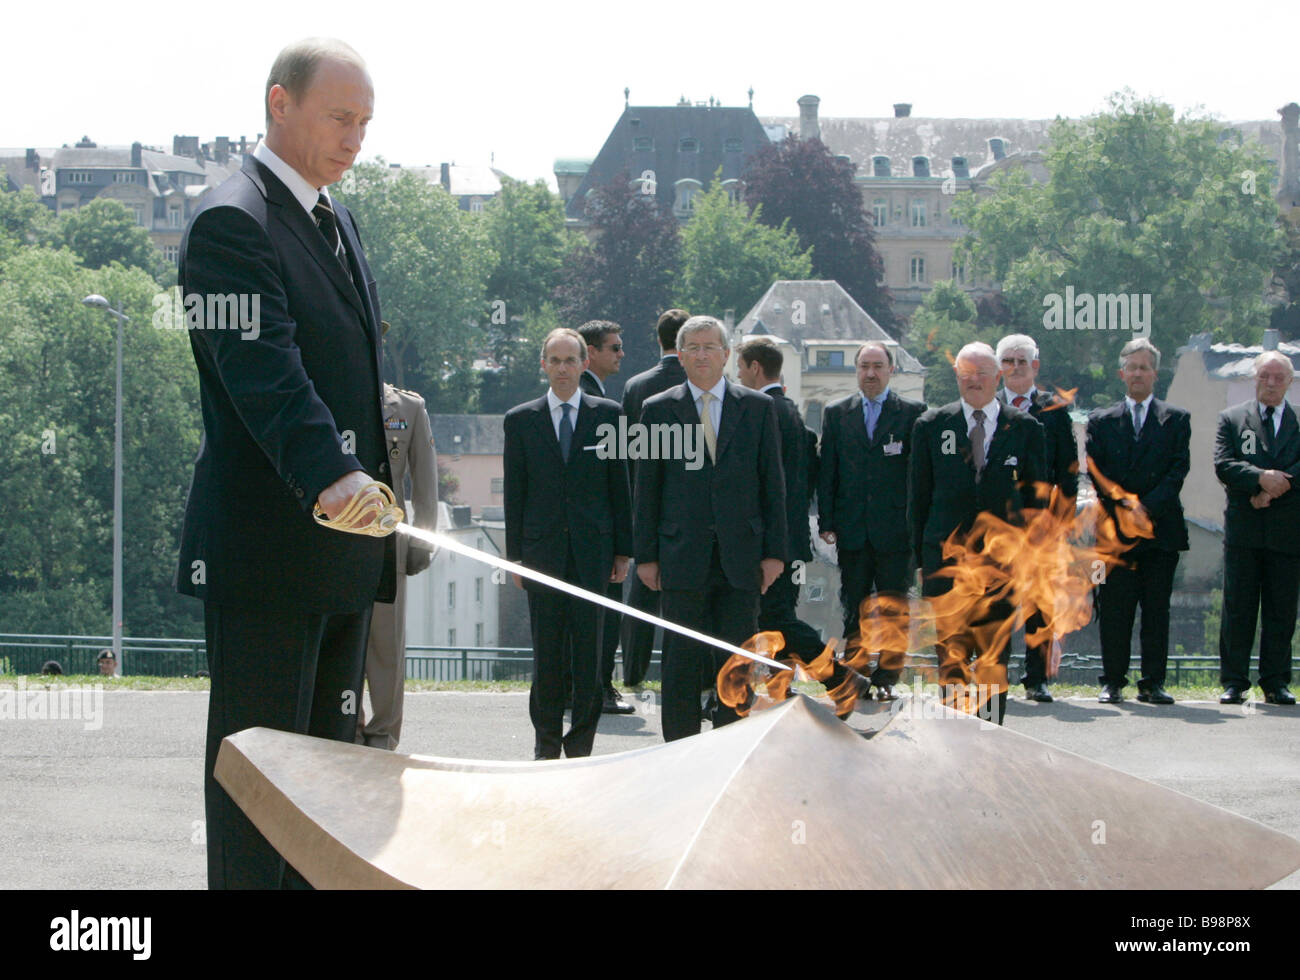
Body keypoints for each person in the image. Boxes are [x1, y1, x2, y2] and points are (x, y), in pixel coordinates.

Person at [175, 38, 390, 888]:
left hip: (342, 549)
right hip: (268, 551)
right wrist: (333, 474)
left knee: (325, 784)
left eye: (366, 123)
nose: (355, 139)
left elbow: (353, 373)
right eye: (340, 117)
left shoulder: (336, 219)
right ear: (279, 104)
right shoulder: (231, 219)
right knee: (259, 781)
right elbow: (262, 368)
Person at [634, 315, 787, 742]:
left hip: (742, 559)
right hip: (680, 556)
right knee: (681, 660)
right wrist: (645, 555)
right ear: (680, 356)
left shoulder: (758, 409)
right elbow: (647, 487)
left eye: (710, 347)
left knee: (737, 659)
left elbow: (773, 485)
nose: (702, 355)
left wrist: (775, 552)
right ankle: (680, 750)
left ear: (726, 354)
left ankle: (729, 745)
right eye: (693, 348)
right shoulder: (658, 409)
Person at [503, 328, 633, 759]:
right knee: (547, 656)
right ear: (543, 365)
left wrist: (623, 552)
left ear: (583, 364)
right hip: (541, 557)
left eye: (570, 360)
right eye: (554, 361)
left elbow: (621, 488)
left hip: (594, 555)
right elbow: (514, 494)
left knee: (590, 656)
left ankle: (580, 747)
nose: (562, 369)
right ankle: (545, 745)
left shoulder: (610, 416)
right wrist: (515, 559)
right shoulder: (521, 420)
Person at [909, 342, 1046, 725]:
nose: (974, 380)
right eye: (966, 373)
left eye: (982, 373)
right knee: (951, 651)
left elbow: (1038, 502)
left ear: (998, 377)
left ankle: (988, 733)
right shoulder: (931, 426)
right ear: (957, 377)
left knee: (993, 652)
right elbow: (917, 499)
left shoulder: (1025, 429)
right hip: (946, 561)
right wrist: (922, 561)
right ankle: (954, 732)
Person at [1086, 338, 1190, 706]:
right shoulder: (1101, 420)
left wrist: (1146, 508)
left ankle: (1153, 683)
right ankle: (1112, 681)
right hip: (1111, 534)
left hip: (1160, 532)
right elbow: (1096, 472)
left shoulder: (1177, 419)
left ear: (1155, 375)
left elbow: (1178, 470)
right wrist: (1127, 506)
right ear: (1121, 374)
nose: (1138, 373)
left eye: (1144, 367)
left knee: (1156, 611)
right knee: (1113, 609)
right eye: (1132, 367)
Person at [818, 341, 925, 699]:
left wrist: (917, 525)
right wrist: (827, 521)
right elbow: (828, 470)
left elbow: (918, 476)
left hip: (896, 532)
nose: (871, 373)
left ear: (891, 370)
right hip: (851, 530)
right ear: (856, 371)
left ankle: (888, 678)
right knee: (854, 605)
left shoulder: (912, 414)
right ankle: (856, 673)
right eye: (864, 366)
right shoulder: (837, 413)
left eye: (878, 366)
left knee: (896, 607)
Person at [994, 333, 1079, 702]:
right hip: (997, 525)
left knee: (1039, 604)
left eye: (1021, 362)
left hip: (1041, 525)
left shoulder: (1054, 411)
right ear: (999, 369)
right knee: (996, 603)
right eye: (1008, 362)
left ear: (1035, 367)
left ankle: (1037, 679)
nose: (1015, 368)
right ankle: (994, 677)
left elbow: (1070, 473)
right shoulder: (987, 405)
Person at [736, 339, 829, 668]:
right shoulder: (791, 413)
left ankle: (839, 678)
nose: (738, 376)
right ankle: (780, 689)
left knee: (773, 619)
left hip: (771, 541)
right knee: (777, 619)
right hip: (793, 537)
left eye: (740, 368)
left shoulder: (760, 411)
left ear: (755, 368)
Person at [356, 380, 438, 749]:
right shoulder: (329, 392)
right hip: (333, 537)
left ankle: (383, 733)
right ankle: (346, 726)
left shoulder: (408, 407)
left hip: (389, 541)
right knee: (338, 639)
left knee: (386, 644)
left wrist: (423, 539)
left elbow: (425, 484)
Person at [1213, 350, 1299, 706]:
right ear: (1255, 378)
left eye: (1279, 377)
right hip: (1245, 531)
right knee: (1239, 607)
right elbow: (1224, 464)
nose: (1272, 382)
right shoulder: (1232, 419)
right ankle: (1234, 681)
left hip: (1287, 532)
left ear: (1289, 382)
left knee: (1281, 610)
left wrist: (1276, 488)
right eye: (1265, 375)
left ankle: (1276, 682)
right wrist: (1259, 480)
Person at [619, 309, 689, 686]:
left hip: (642, 500)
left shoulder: (635, 386)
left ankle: (632, 672)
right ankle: (688, 673)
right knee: (689, 594)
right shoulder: (701, 382)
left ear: (658, 339)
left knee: (641, 595)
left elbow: (628, 447)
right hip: (689, 504)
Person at [576, 320, 633, 714]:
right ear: (591, 353)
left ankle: (586, 688)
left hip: (591, 531)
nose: (621, 353)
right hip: (595, 533)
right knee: (601, 619)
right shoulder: (590, 403)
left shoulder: (593, 397)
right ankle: (595, 689)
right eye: (614, 347)